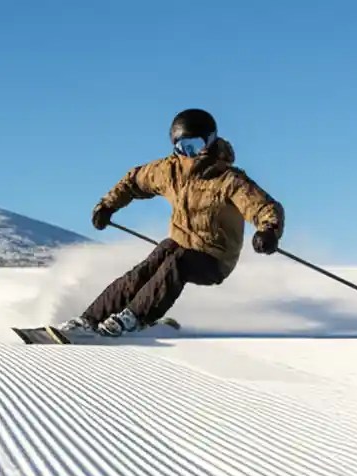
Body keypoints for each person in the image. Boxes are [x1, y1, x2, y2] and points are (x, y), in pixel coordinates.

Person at [58, 108, 285, 337]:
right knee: (151, 263)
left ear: (210, 141)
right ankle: (89, 319)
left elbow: (264, 207)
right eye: (182, 147)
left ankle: (134, 317)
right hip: (179, 245)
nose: (188, 154)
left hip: (214, 258)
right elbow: (134, 181)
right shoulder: (171, 171)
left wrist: (269, 231)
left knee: (179, 260)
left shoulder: (228, 180)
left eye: (194, 146)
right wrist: (107, 206)